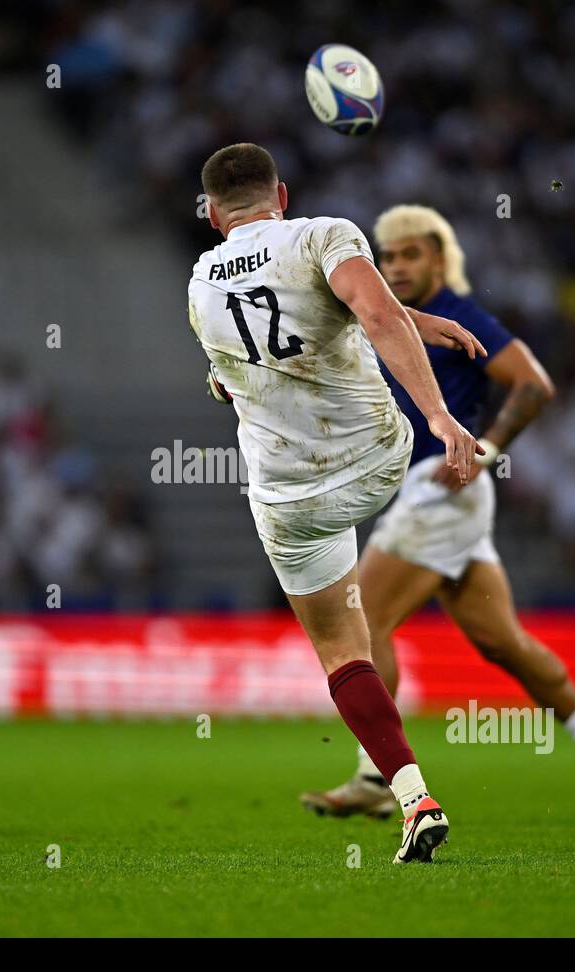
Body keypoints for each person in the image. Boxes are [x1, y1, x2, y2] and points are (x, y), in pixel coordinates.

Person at [298, 205, 575, 823]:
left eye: (411, 255)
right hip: (439, 495)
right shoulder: (392, 320)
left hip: (441, 486)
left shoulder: (458, 315)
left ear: (438, 257)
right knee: (502, 643)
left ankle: (379, 776)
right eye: (389, 256)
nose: (398, 266)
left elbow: (534, 382)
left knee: (364, 618)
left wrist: (483, 454)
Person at [188, 144, 486, 863]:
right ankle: (408, 797)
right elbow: (368, 310)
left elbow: (231, 379)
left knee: (341, 650)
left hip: (291, 498)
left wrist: (403, 314)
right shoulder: (323, 234)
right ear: (280, 195)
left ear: (210, 216)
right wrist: (440, 416)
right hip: (377, 460)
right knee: (373, 612)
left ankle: (412, 794)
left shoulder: (200, 285)